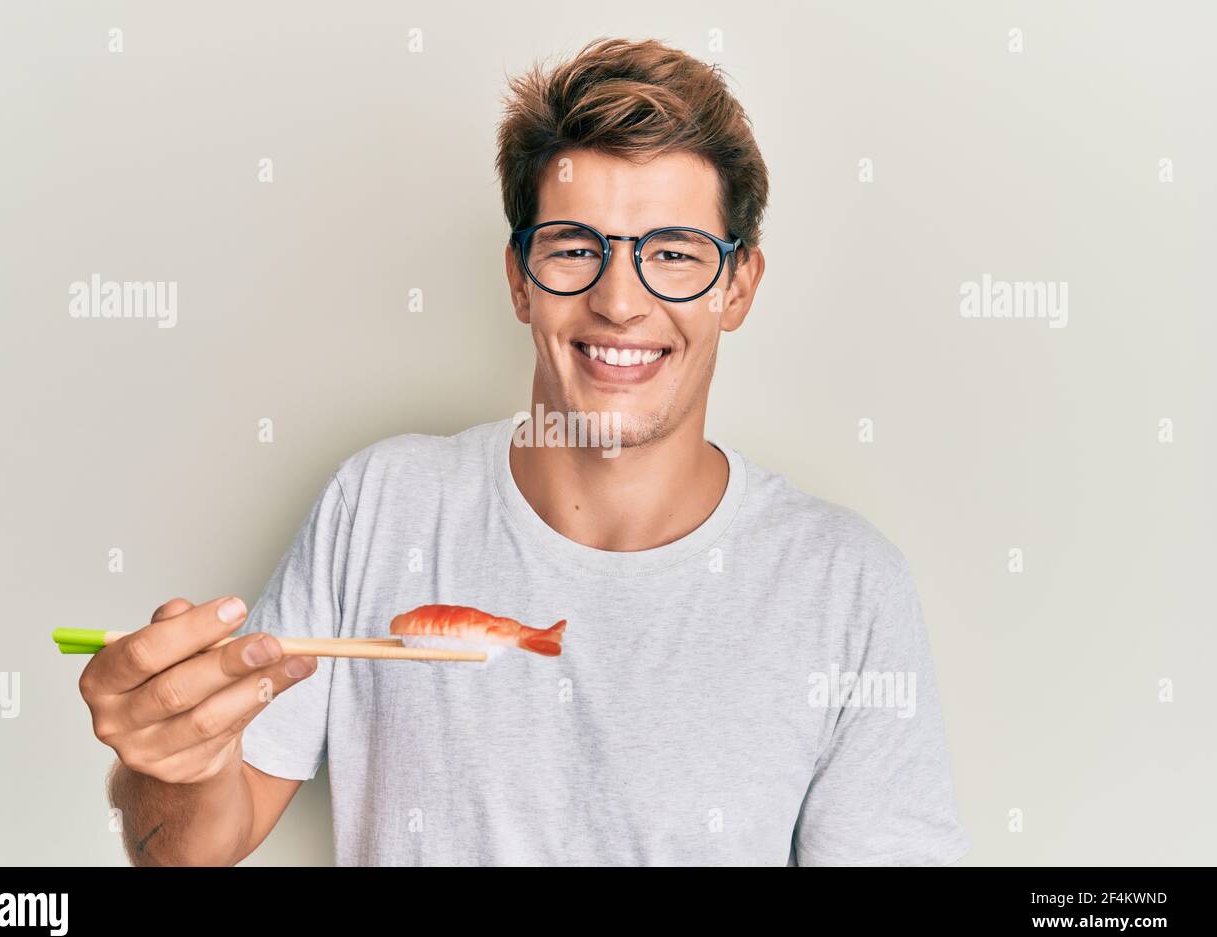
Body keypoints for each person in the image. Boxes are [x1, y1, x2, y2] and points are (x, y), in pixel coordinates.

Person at [80, 37, 968, 866]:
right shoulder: (382, 503)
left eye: (675, 253)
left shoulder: (847, 586)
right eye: (575, 247)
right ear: (518, 279)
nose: (620, 302)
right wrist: (172, 763)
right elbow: (188, 848)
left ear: (738, 286)